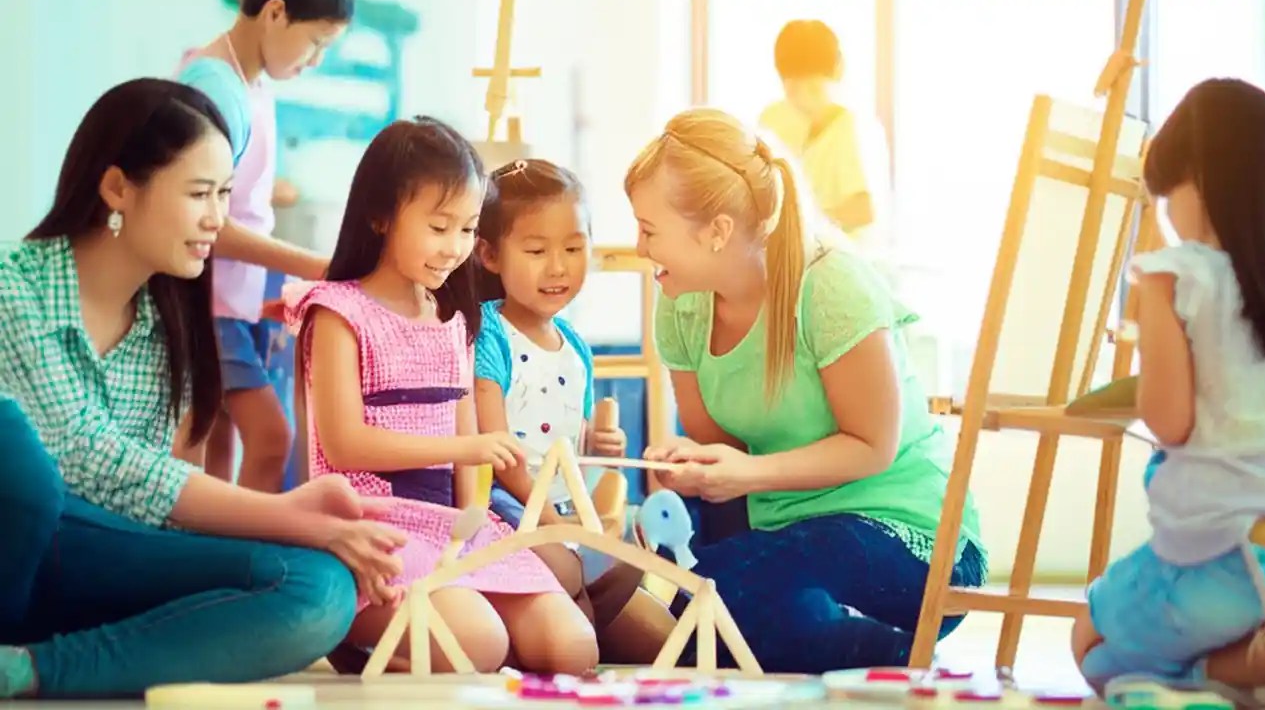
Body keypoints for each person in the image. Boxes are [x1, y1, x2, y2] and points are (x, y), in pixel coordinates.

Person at [0, 78, 405, 699]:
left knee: (317, 589)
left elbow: (142, 510)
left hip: (84, 568)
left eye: (224, 193)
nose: (218, 219)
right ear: (117, 188)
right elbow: (85, 460)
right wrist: (289, 516)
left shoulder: (171, 327)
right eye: (199, 193)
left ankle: (33, 668)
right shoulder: (12, 288)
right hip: (18, 546)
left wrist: (294, 530)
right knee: (20, 462)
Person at [625, 107, 986, 674]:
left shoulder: (832, 284)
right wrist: (696, 464)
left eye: (649, 231)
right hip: (785, 534)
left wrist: (742, 475)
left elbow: (873, 446)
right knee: (705, 598)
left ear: (716, 232)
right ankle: (834, 640)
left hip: (909, 537)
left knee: (724, 591)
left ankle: (891, 652)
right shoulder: (680, 303)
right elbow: (721, 443)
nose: (640, 247)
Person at [285, 117, 598, 675]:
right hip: (370, 527)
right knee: (479, 643)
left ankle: (412, 637)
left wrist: (476, 521)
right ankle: (355, 637)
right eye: (438, 227)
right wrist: (468, 450)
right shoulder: (337, 312)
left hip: (449, 528)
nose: (454, 249)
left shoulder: (454, 318)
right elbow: (346, 444)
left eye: (466, 230)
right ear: (380, 216)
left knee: (573, 648)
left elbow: (464, 458)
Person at [1070, 79, 1265, 696]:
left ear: (1204, 181)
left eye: (1169, 198)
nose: (1169, 219)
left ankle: (1240, 668)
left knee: (1091, 645)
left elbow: (1169, 420)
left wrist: (1152, 300)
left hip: (1224, 559)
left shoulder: (1181, 274)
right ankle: (1256, 660)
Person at [472, 158, 675, 663]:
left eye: (574, 248)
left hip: (561, 508)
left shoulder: (577, 348)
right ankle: (556, 635)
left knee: (632, 570)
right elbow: (500, 450)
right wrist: (553, 524)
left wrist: (599, 448)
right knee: (568, 572)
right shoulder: (489, 333)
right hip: (507, 506)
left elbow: (570, 448)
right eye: (537, 251)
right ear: (490, 255)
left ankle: (577, 624)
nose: (559, 267)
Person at [177, 0, 353, 492]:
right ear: (276, 12)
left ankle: (214, 554)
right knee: (271, 437)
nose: (316, 61)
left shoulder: (246, 80)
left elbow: (235, 198)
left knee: (221, 437)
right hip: (205, 300)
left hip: (231, 298)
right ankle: (246, 555)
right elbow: (201, 220)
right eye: (315, 42)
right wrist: (313, 266)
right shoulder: (214, 85)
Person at [758, 19, 892, 268]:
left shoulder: (852, 123)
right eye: (793, 87)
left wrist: (801, 224)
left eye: (813, 88)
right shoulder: (774, 121)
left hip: (854, 267)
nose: (802, 97)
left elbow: (864, 209)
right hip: (805, 263)